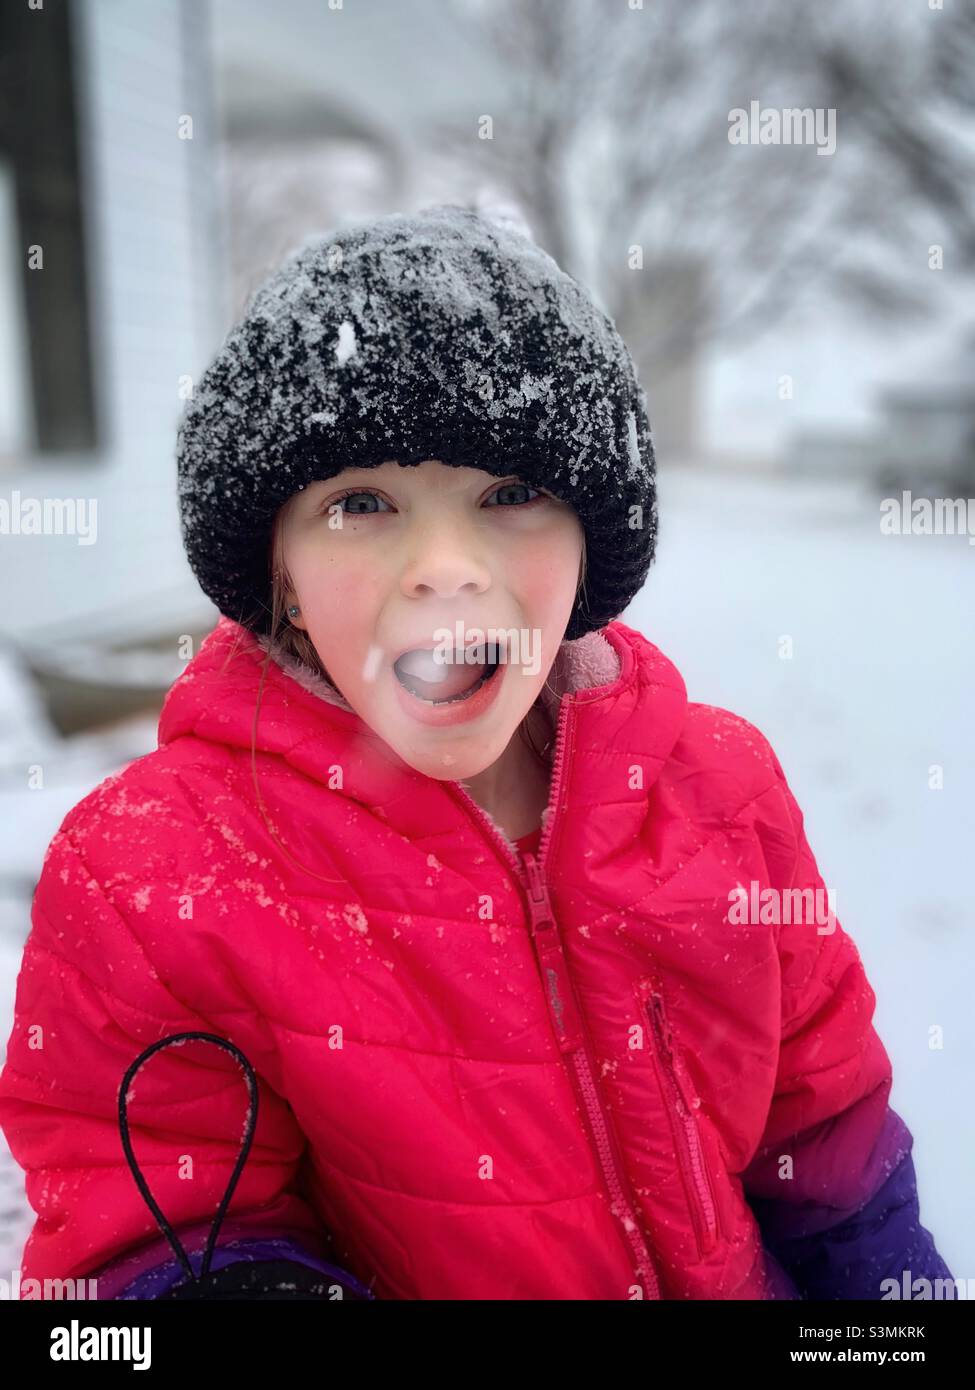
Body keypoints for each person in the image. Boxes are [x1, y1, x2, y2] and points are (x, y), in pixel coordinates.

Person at [0, 204, 954, 1300]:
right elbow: (145, 1235)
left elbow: (830, 1140)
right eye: (361, 502)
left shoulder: (722, 792)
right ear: (282, 581)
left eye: (509, 494)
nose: (445, 566)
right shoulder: (153, 875)